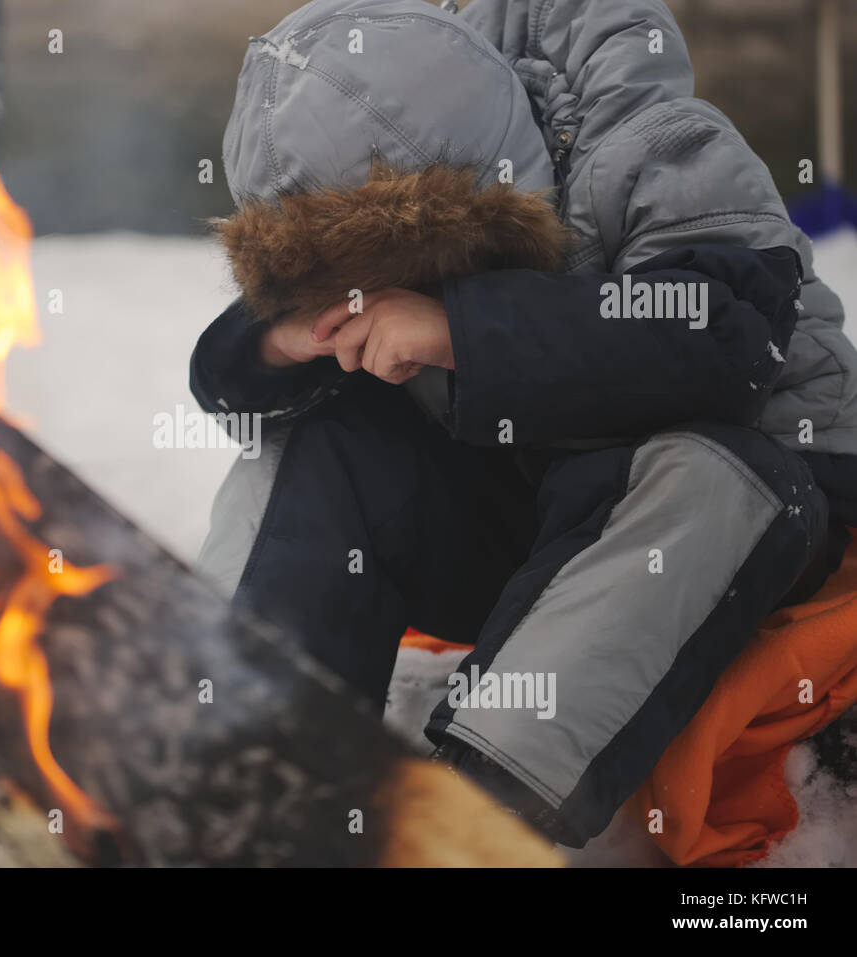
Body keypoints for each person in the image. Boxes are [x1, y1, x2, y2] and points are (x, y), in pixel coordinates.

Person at [190, 0, 857, 846]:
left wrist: (458, 329)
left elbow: (723, 338)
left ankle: (469, 824)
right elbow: (240, 377)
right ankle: (244, 766)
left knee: (708, 470)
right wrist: (280, 339)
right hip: (546, 531)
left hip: (751, 526)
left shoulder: (660, 145)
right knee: (317, 437)